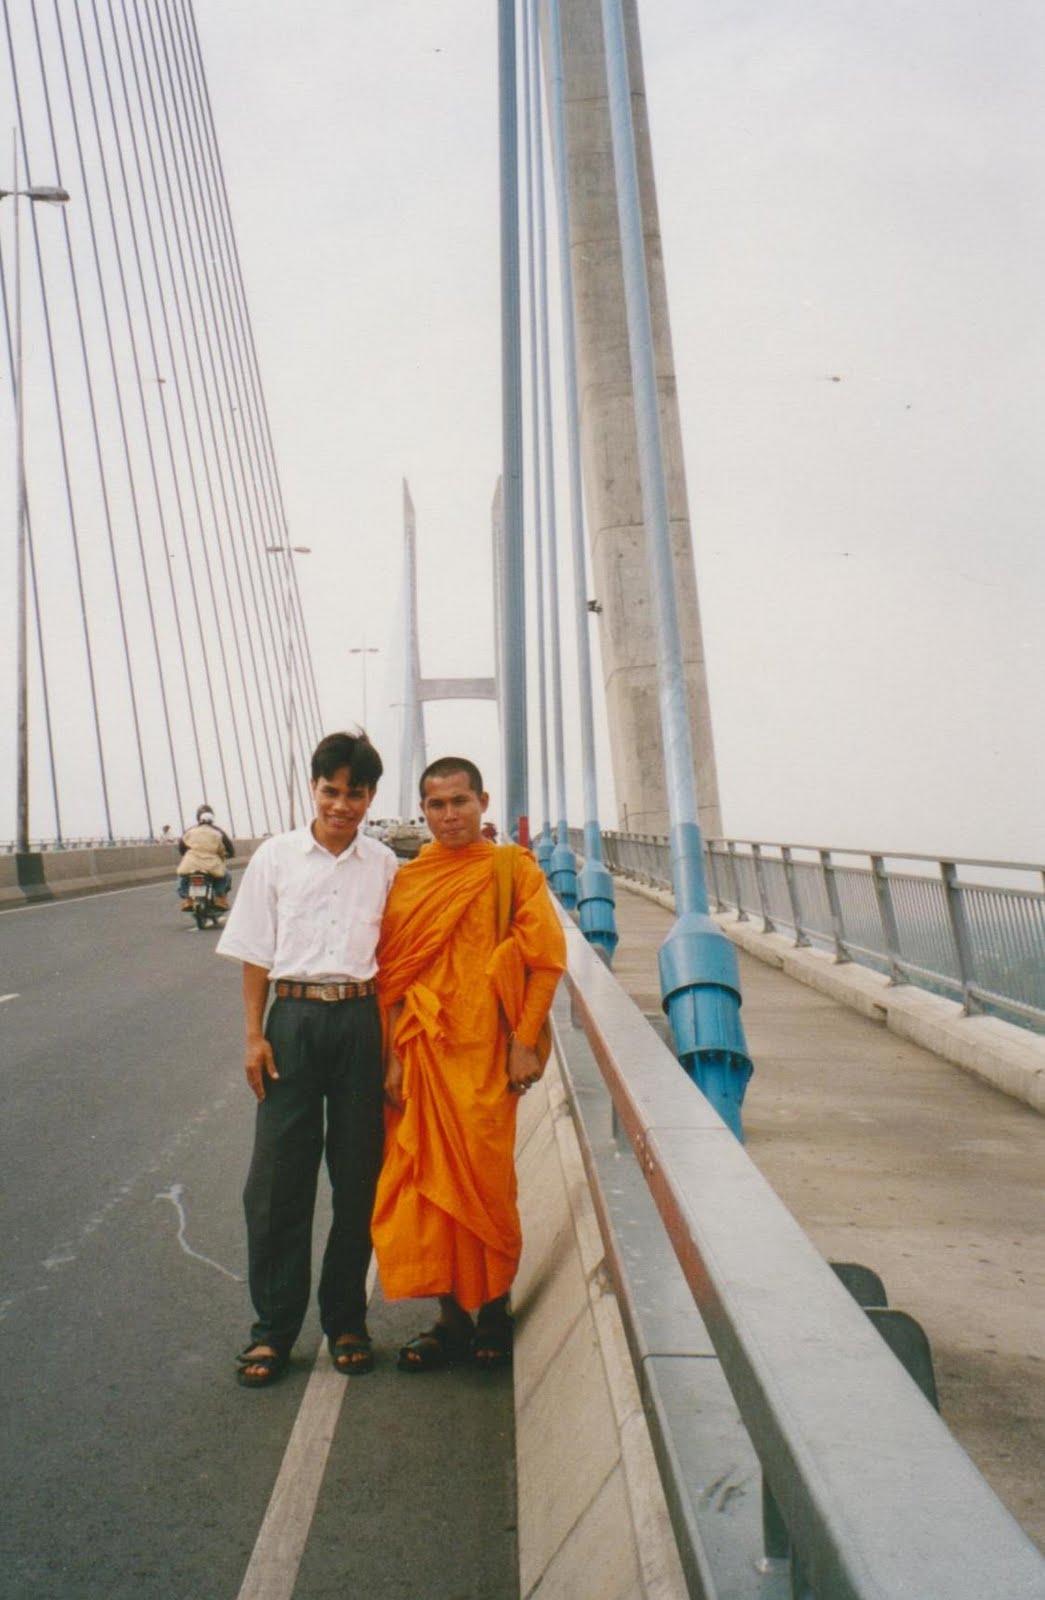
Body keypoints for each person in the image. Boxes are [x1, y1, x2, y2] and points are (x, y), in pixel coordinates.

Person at [215, 731, 397, 1388]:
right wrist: (252, 1035)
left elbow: (398, 963)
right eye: (330, 790)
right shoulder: (275, 858)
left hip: (358, 1020)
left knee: (358, 1179)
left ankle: (345, 1318)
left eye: (354, 793)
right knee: (275, 1185)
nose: (341, 804)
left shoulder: (384, 866)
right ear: (312, 788)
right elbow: (255, 951)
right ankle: (273, 1331)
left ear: (371, 797)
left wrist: (391, 1048)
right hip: (289, 1022)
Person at [372, 756, 566, 1371]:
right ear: (422, 811)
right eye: (436, 805)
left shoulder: (512, 871)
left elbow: (543, 962)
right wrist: (391, 1060)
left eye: (460, 802)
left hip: (486, 1056)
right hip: (423, 1053)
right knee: (424, 1192)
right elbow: (392, 980)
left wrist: (524, 1040)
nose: (449, 816)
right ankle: (447, 1320)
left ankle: (493, 1314)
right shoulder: (408, 881)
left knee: (486, 1185)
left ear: (483, 802)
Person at [177, 805, 235, 911]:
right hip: (211, 864)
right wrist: (227, 855)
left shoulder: (190, 831)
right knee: (225, 876)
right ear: (212, 818)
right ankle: (219, 898)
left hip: (191, 863)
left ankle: (187, 898)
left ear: (198, 818)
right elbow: (224, 849)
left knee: (183, 876)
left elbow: (181, 846)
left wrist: (187, 854)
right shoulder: (218, 832)